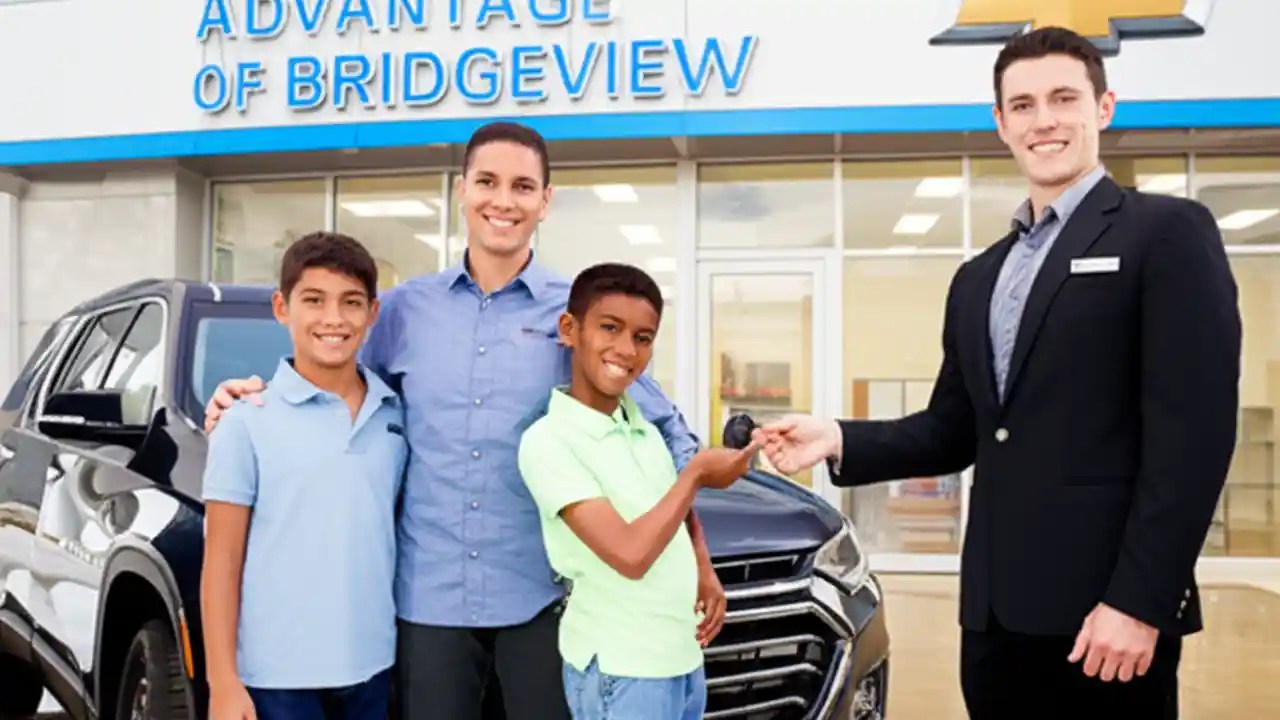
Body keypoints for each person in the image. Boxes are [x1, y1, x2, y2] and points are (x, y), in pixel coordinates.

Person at [754, 26, 1240, 719]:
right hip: (994, 620)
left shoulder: (1166, 233)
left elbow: (1194, 438)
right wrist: (835, 437)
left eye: (1064, 98)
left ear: (1103, 108)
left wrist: (1141, 600)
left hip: (1106, 618)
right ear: (1001, 123)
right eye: (1023, 105)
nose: (1044, 121)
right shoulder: (980, 276)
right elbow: (955, 430)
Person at [203, 122, 722, 720]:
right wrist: (253, 395)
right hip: (427, 602)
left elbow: (667, 437)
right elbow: (335, 381)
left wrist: (698, 560)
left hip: (538, 597)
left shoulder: (575, 315)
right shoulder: (403, 311)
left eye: (522, 187)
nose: (504, 201)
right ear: (462, 190)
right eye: (488, 182)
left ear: (545, 201)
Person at [517, 263, 756, 719]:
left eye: (643, 338)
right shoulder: (548, 442)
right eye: (610, 328)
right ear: (569, 329)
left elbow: (668, 511)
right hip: (623, 670)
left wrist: (702, 565)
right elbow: (630, 554)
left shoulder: (642, 427)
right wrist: (696, 475)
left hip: (681, 659)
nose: (627, 349)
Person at [200, 231, 406, 720]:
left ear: (372, 313)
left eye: (351, 302)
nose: (333, 318)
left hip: (373, 668)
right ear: (282, 307)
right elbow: (221, 563)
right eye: (314, 300)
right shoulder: (245, 422)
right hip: (276, 679)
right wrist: (223, 683)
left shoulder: (394, 414)